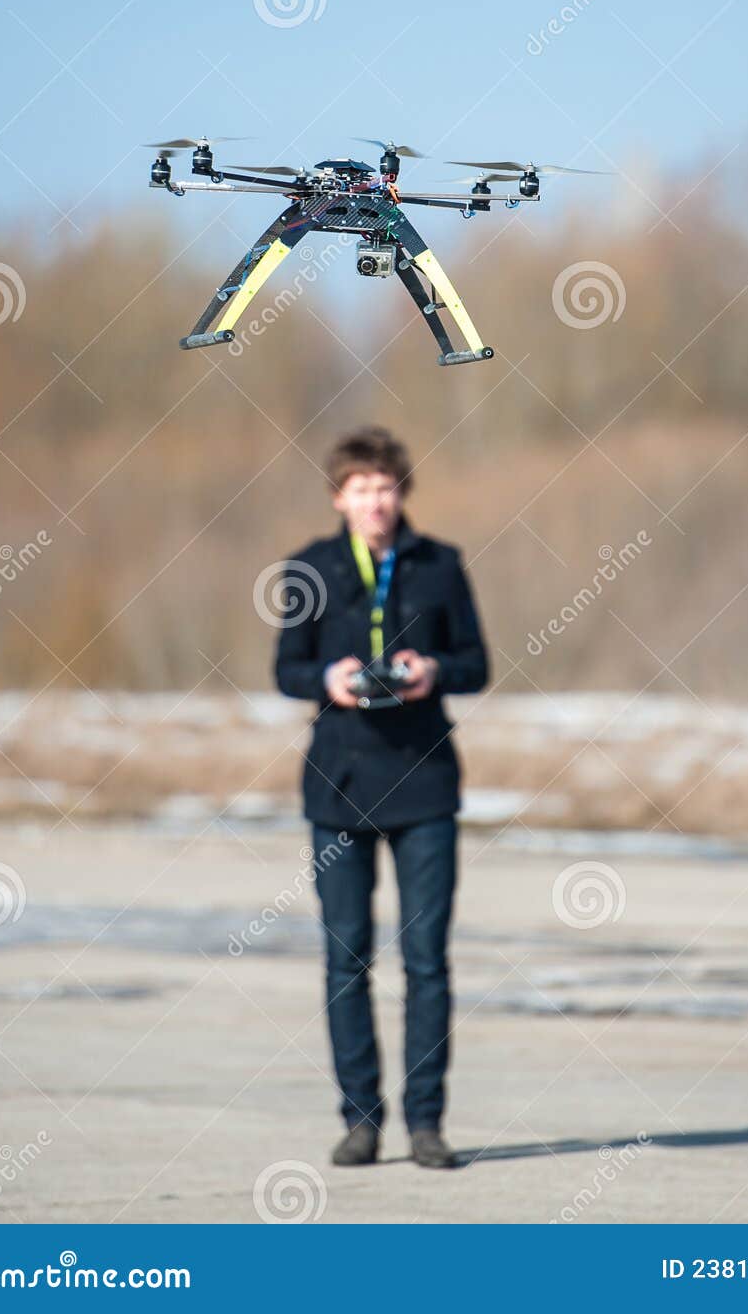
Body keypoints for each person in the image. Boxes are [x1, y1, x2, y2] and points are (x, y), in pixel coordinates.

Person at [274, 426, 489, 1170]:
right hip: (339, 786)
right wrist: (328, 681)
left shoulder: (440, 565)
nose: (376, 501)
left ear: (402, 494)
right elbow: (285, 669)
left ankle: (425, 1123)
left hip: (425, 783)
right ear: (339, 496)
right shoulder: (308, 568)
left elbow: (477, 663)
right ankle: (360, 1119)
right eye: (362, 489)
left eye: (387, 487)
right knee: (346, 959)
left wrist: (430, 670)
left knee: (425, 960)